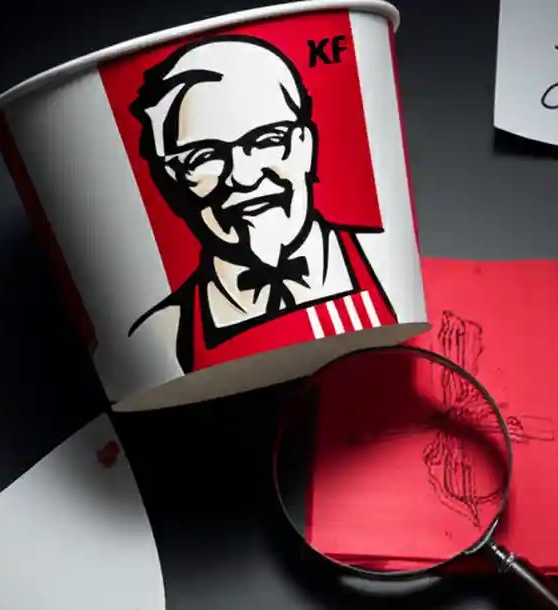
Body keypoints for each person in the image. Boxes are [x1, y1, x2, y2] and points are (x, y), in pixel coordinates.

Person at [128, 35, 389, 371]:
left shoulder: (386, 264)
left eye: (267, 140)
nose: (244, 176)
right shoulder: (160, 336)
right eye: (204, 156)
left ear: (306, 145)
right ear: (172, 181)